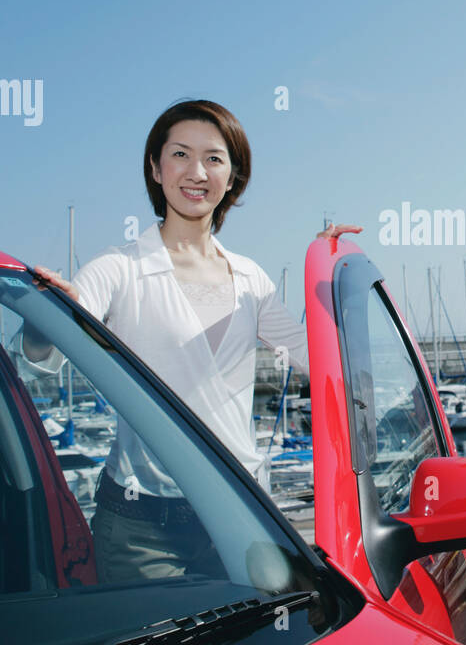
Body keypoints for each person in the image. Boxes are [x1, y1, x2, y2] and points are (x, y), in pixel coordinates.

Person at [21, 98, 359, 582]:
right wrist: (44, 320)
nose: (196, 171)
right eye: (179, 154)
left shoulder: (251, 279)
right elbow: (45, 353)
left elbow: (322, 361)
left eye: (214, 158)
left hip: (244, 517)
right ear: (156, 170)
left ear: (232, 178)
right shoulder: (120, 268)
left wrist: (331, 275)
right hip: (144, 530)